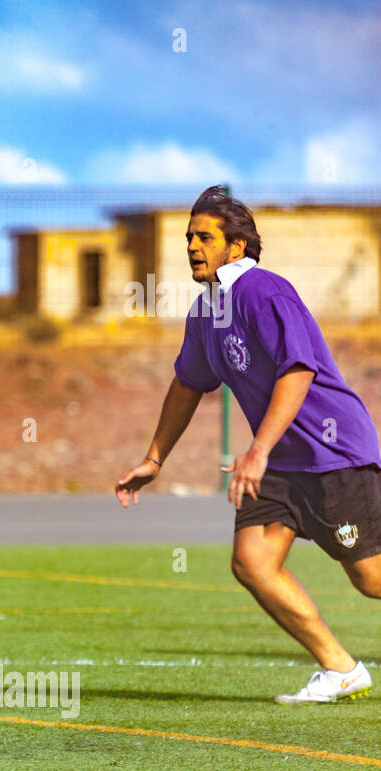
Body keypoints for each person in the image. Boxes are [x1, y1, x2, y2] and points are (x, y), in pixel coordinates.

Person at [116, 185, 376, 704]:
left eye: (205, 237)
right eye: (189, 237)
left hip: (334, 452)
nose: (192, 246)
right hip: (279, 462)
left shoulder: (264, 291)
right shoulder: (204, 312)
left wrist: (257, 451)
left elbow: (298, 370)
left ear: (236, 246)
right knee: (252, 562)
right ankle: (341, 669)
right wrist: (154, 458)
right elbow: (188, 384)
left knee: (371, 579)